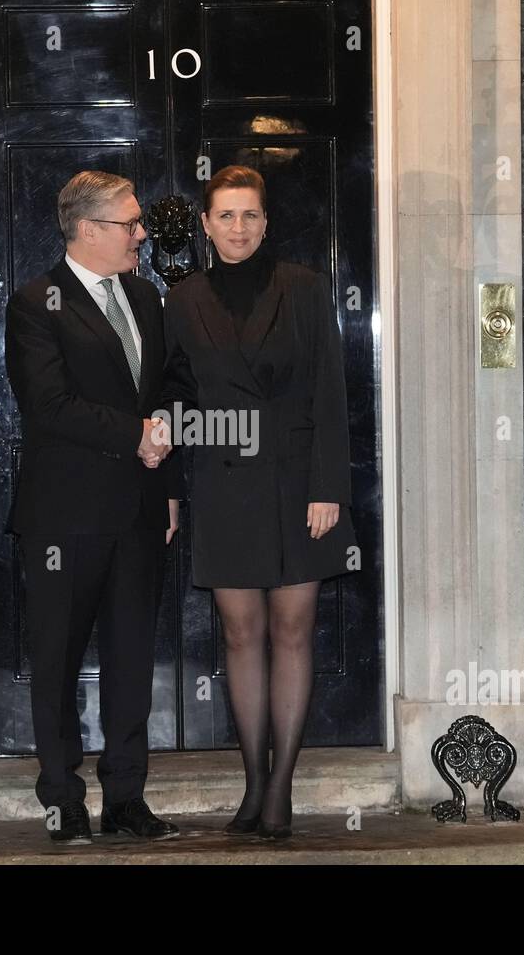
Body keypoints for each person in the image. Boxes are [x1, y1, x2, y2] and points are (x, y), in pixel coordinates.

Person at [161, 165, 357, 839]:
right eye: (226, 216)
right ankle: (250, 782)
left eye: (250, 216)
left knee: (292, 632)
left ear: (265, 223)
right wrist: (168, 464)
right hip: (223, 484)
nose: (238, 228)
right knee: (241, 635)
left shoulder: (305, 289)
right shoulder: (182, 298)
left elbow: (331, 391)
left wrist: (330, 486)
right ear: (207, 224)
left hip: (300, 484)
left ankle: (280, 789)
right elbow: (177, 396)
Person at [4, 170, 181, 845]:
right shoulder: (35, 302)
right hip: (64, 515)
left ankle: (128, 798)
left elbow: (161, 393)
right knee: (56, 657)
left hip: (139, 510)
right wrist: (134, 434)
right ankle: (63, 799)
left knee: (132, 657)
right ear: (87, 228)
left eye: (137, 224)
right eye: (130, 224)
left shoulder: (144, 296)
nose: (142, 234)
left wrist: (169, 488)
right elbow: (47, 407)